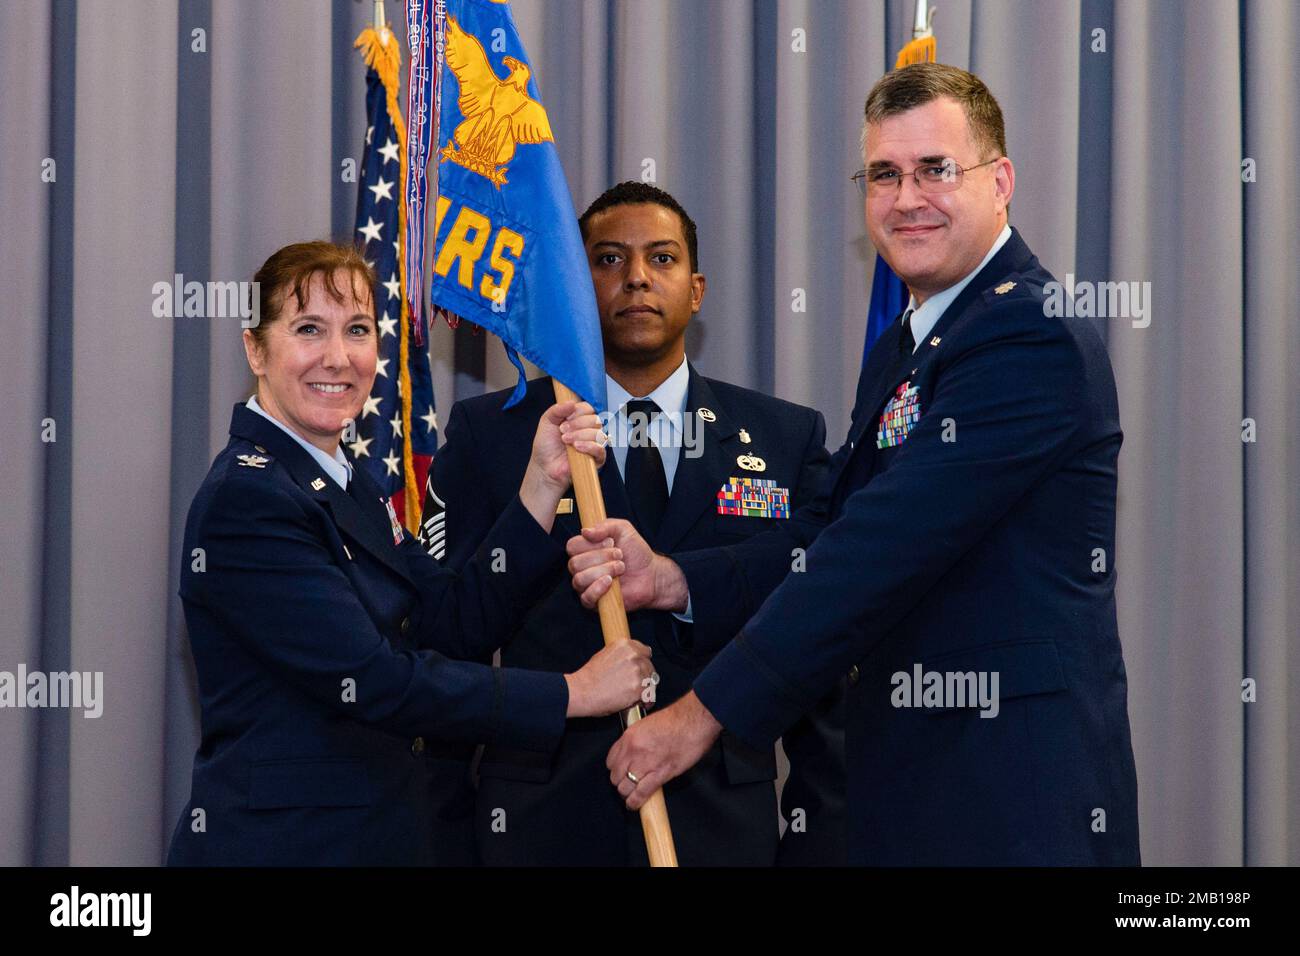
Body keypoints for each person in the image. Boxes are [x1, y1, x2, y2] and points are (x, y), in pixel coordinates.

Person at [569, 64, 1141, 865]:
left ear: (1001, 181)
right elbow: (829, 530)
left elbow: (876, 550)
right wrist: (672, 579)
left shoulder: (1028, 336)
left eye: (936, 169)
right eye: (884, 174)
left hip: (1009, 799)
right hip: (916, 791)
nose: (907, 198)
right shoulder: (912, 344)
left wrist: (701, 714)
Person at [167, 240, 653, 866]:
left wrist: (541, 482)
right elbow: (376, 681)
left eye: (358, 330)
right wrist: (575, 693)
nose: (338, 357)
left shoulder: (349, 484)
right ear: (255, 350)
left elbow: (451, 624)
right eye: (309, 329)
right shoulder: (250, 498)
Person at [419, 183, 845, 865]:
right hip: (539, 827)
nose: (637, 278)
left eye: (662, 258)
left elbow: (817, 638)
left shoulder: (785, 438)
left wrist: (819, 837)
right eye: (609, 259)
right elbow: (448, 638)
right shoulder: (493, 434)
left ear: (697, 291)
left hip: (721, 827)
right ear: (574, 287)